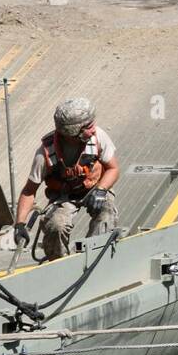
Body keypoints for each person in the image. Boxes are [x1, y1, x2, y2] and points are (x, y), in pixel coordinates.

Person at [14, 97, 120, 261]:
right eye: (88, 127)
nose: (93, 129)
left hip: (95, 189)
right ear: (73, 131)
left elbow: (113, 169)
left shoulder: (98, 137)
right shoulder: (45, 154)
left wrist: (101, 190)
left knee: (106, 214)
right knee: (56, 226)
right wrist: (20, 225)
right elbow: (29, 191)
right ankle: (59, 263)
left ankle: (95, 258)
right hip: (63, 197)